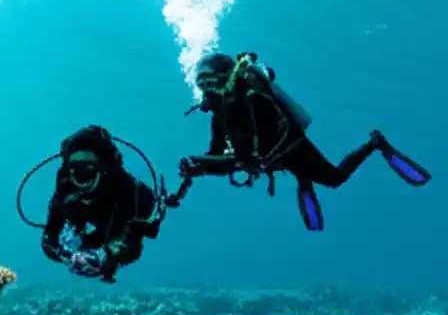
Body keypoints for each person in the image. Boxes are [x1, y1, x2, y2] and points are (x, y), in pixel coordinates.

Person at [170, 51, 430, 230]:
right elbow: (218, 153)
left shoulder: (247, 101)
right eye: (201, 83)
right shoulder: (220, 115)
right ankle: (303, 178)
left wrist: (201, 164)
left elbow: (244, 159)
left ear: (227, 77)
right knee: (310, 176)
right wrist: (201, 166)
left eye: (209, 81)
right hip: (272, 157)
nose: (205, 90)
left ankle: (375, 144)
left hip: (292, 146)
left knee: (334, 179)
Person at [25, 125, 163, 282]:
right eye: (74, 167)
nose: (79, 174)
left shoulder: (129, 192)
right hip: (94, 223)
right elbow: (50, 237)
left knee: (123, 232)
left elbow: (133, 247)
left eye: (87, 167)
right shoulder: (65, 186)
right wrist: (67, 255)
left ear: (103, 167)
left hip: (119, 217)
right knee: (80, 234)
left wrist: (109, 258)